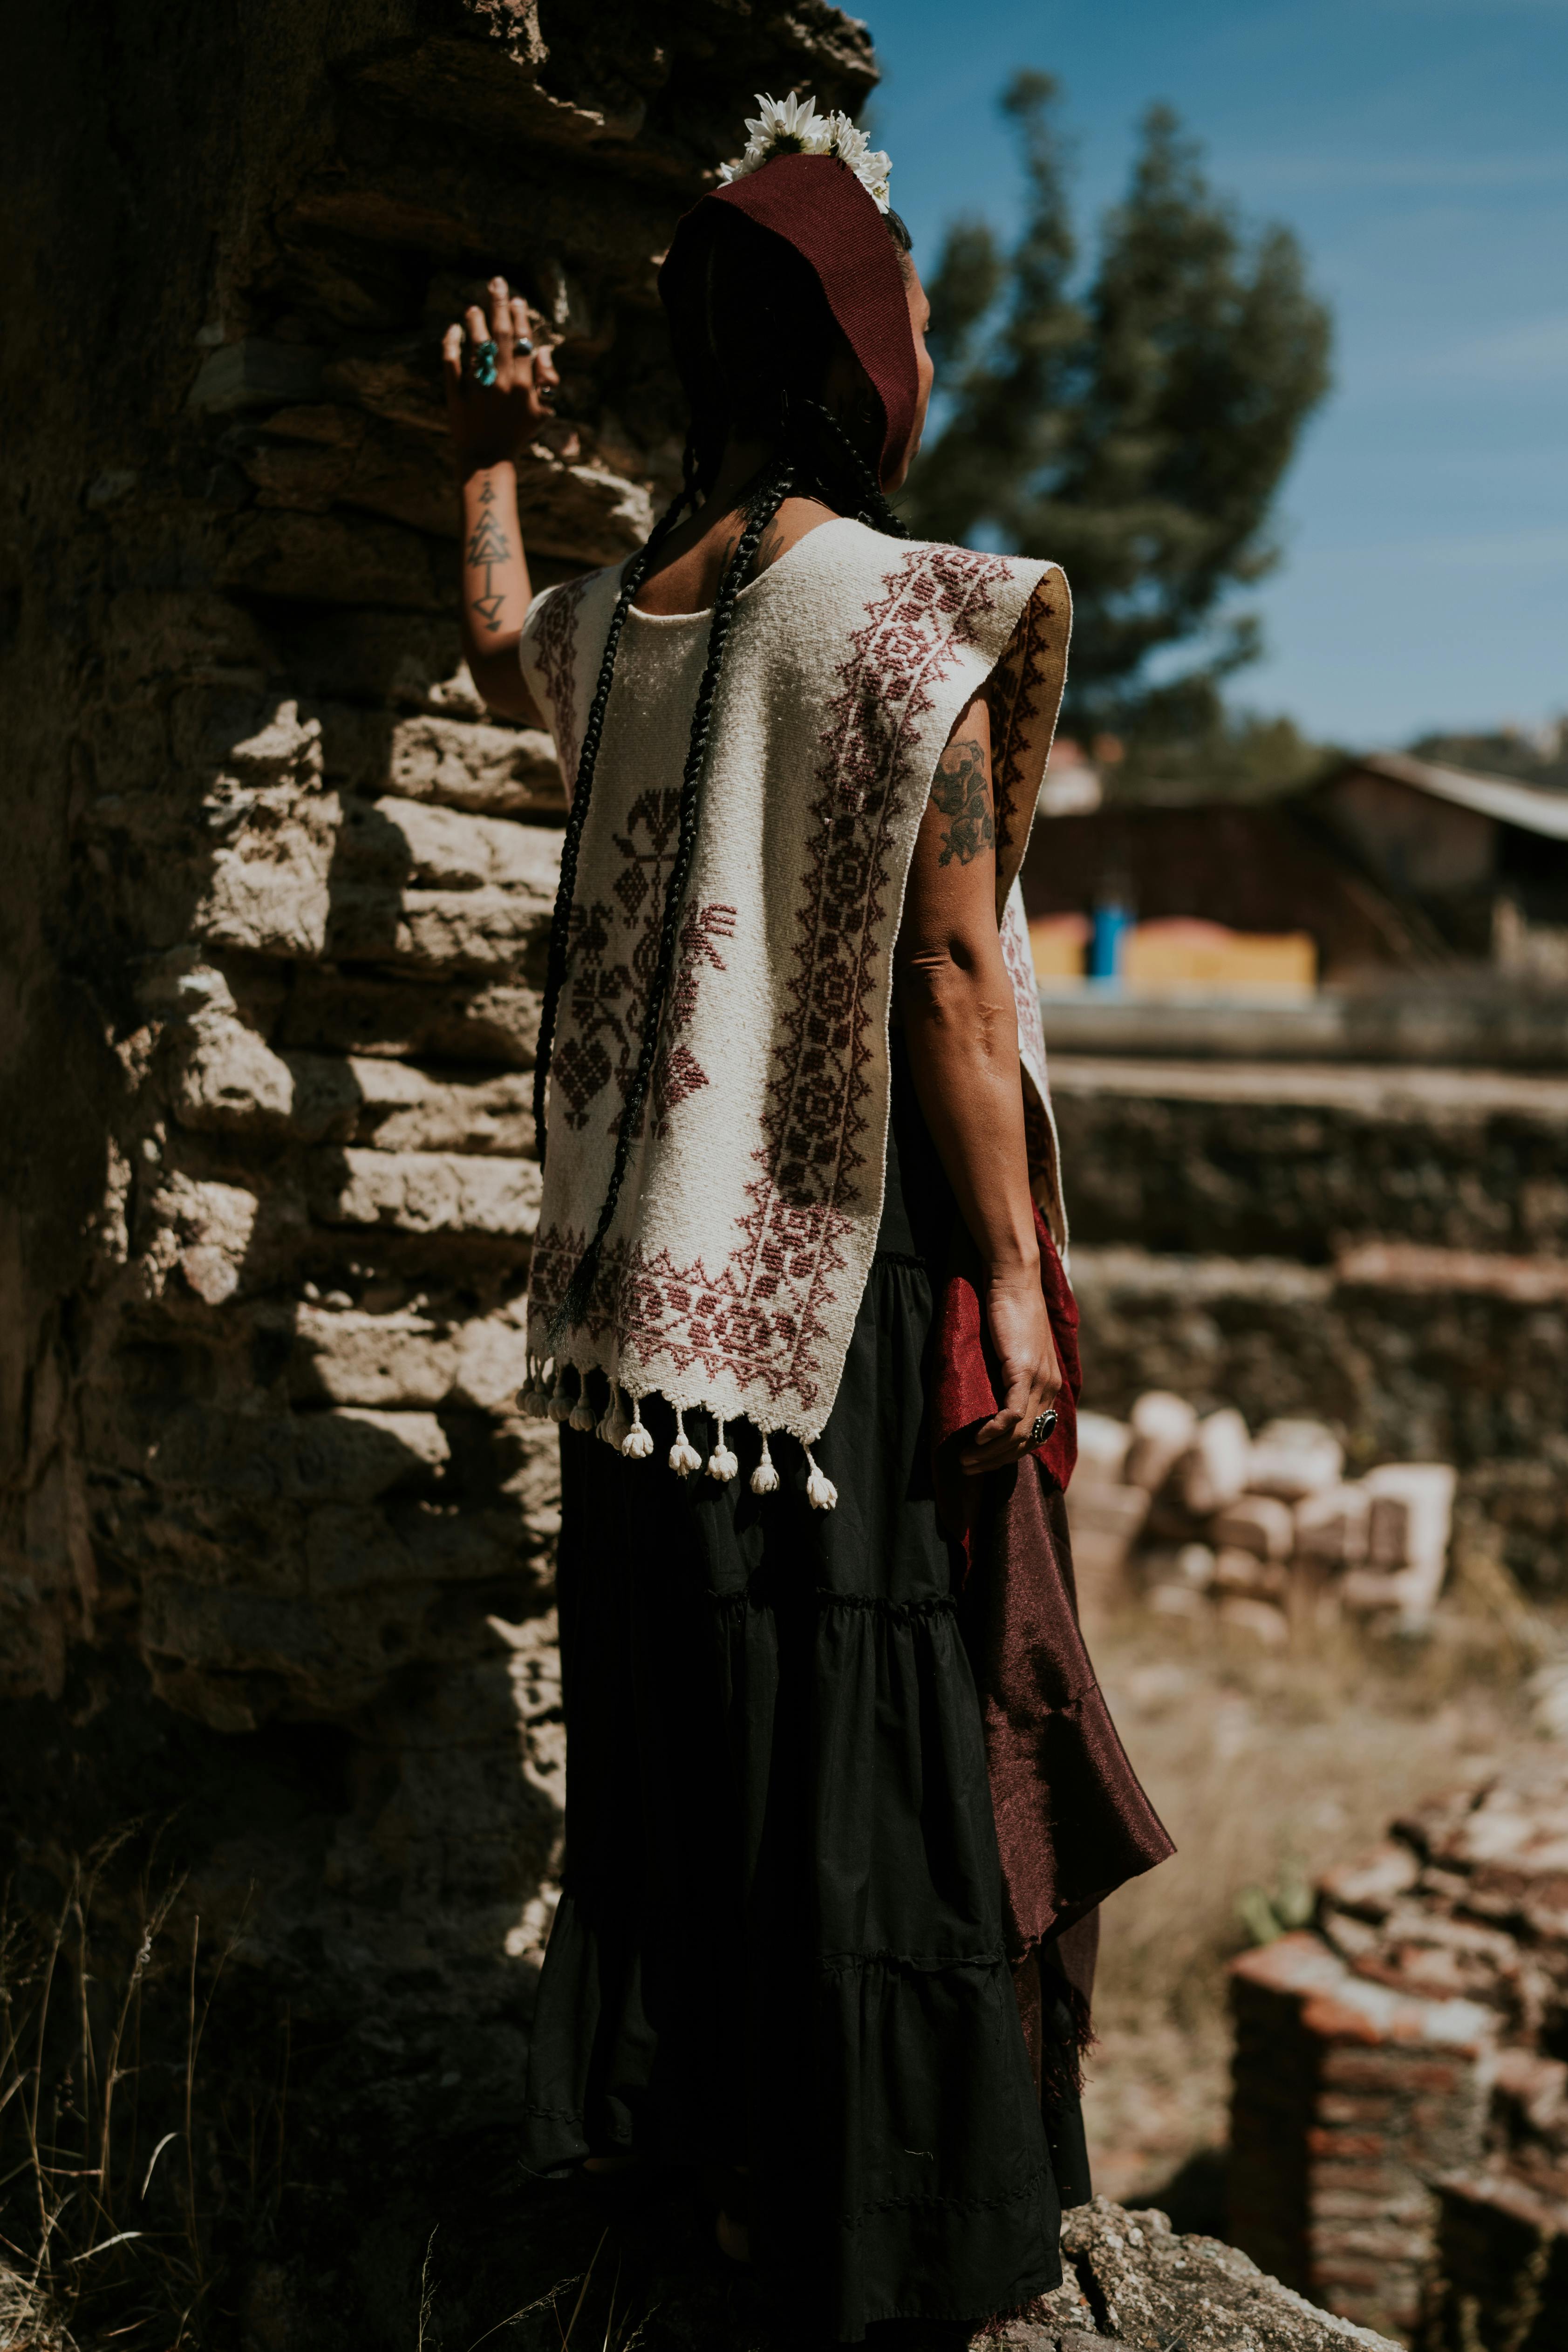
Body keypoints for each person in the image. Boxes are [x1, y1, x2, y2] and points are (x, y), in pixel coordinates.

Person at [441, 95, 1171, 2345]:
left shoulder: (639, 609)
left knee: (689, 1754)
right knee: (861, 1769)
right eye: (914, 309)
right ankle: (879, 2246)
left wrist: (482, 445)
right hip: (830, 1301)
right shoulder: (909, 615)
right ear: (852, 349)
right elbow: (950, 975)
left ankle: (706, 2195)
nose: (928, 345)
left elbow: (494, 649)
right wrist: (1023, 1307)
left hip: (636, 1315)